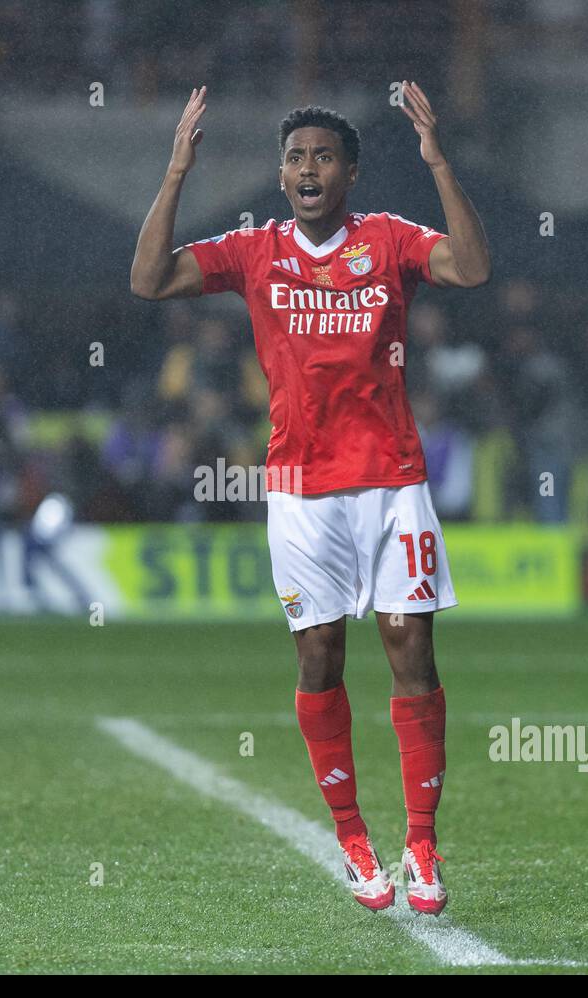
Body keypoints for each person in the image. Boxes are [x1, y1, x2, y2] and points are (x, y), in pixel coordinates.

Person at [130, 84, 491, 914]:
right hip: (301, 491)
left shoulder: (390, 240)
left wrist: (437, 160)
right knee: (320, 654)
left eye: (322, 156)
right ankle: (354, 838)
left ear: (351, 173)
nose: (306, 167)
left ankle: (424, 846)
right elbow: (149, 280)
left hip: (395, 481)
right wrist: (178, 166)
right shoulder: (255, 251)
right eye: (294, 157)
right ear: (281, 174)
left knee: (410, 646)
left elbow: (471, 267)